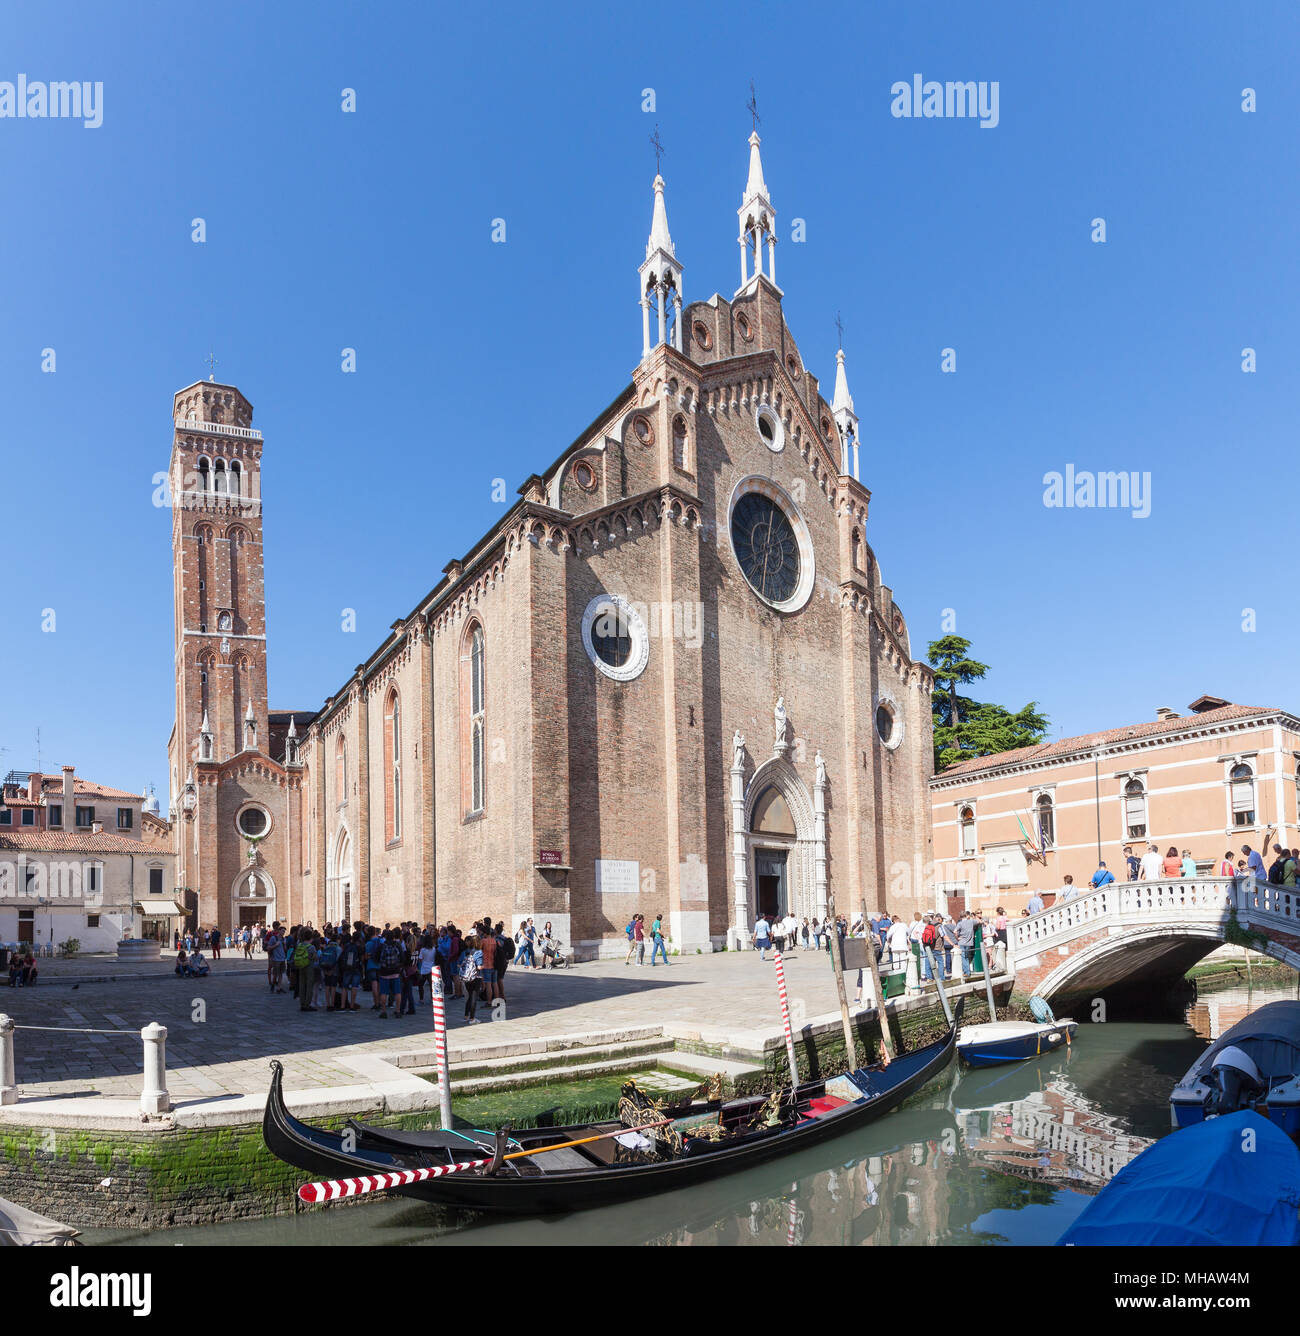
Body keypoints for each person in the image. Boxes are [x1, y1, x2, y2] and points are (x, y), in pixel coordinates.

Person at [376, 930, 403, 1019]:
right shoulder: (397, 945)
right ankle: (398, 1011)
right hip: (395, 972)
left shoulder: (382, 946)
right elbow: (403, 957)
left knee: (384, 993)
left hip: (384, 972)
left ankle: (384, 1011)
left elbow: (376, 957)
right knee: (397, 992)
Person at [461, 934, 484, 1023]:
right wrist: (484, 966)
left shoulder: (468, 951)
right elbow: (479, 967)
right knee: (474, 997)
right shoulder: (479, 952)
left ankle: (466, 1016)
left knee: (469, 997)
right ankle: (472, 1018)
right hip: (476, 977)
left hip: (467, 977)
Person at [340, 931, 364, 1011]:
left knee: (344, 987)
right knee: (354, 986)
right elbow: (362, 958)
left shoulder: (347, 945)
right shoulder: (359, 947)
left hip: (347, 967)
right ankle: (352, 1006)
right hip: (356, 968)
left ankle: (343, 1006)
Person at [294, 932, 318, 1012]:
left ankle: (302, 1003)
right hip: (309, 967)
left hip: (301, 966)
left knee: (302, 985)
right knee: (309, 986)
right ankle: (307, 1004)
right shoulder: (311, 947)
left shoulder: (299, 945)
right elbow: (315, 958)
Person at [955, 913, 976, 977]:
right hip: (969, 943)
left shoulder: (960, 923)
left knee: (963, 958)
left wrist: (957, 938)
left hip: (961, 942)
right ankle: (967, 971)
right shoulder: (971, 921)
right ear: (966, 916)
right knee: (966, 957)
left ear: (960, 917)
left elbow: (954, 931)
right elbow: (980, 921)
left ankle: (967, 972)